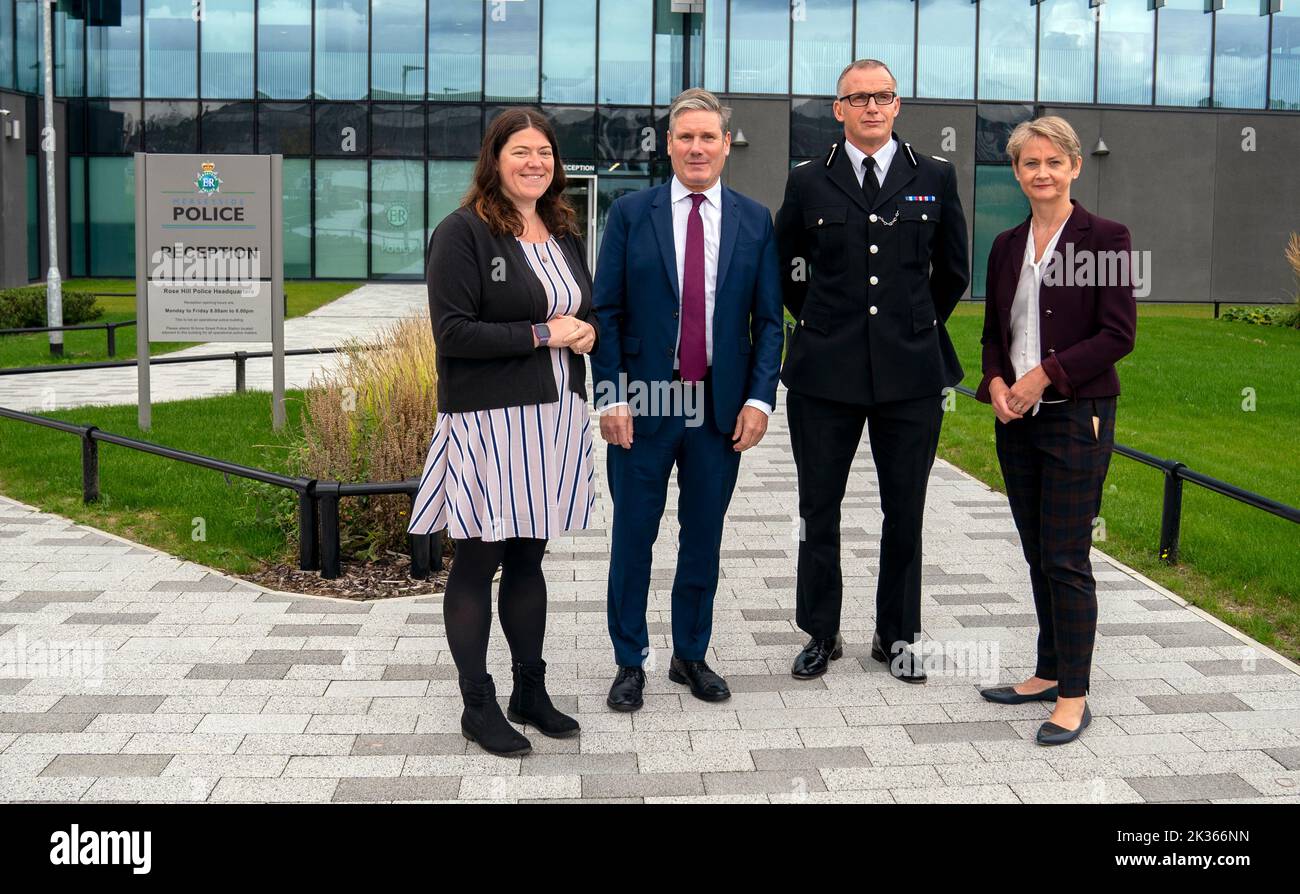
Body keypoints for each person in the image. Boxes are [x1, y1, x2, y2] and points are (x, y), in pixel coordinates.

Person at [408, 108, 599, 756]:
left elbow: (585, 311)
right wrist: (548, 332)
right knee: (478, 560)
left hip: (553, 421)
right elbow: (454, 333)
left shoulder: (564, 230)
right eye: (521, 151)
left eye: (544, 152)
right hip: (491, 424)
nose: (535, 163)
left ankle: (529, 690)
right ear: (495, 159)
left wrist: (587, 330)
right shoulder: (463, 233)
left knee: (528, 557)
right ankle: (477, 703)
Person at [774, 59, 970, 683]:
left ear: (897, 104)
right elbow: (786, 271)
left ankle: (898, 636)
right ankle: (820, 632)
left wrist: (910, 324)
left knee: (905, 508)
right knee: (818, 507)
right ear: (838, 110)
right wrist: (830, 324)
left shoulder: (933, 175)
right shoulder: (808, 181)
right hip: (825, 374)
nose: (870, 108)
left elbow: (954, 271)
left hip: (910, 372)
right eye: (856, 98)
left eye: (881, 96)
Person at [591, 88, 784, 712]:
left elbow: (769, 321)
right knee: (633, 536)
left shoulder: (755, 220)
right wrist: (610, 396)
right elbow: (608, 311)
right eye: (685, 137)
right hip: (644, 402)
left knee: (703, 537)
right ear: (668, 145)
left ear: (727, 145)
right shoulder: (629, 212)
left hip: (718, 407)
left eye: (708, 137)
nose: (697, 147)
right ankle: (630, 660)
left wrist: (760, 400)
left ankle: (690, 655)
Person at [975, 115, 1136, 745]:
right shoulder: (1006, 244)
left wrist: (1046, 374)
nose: (1042, 173)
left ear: (1074, 166)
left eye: (1053, 162)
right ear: (1016, 172)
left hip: (1077, 417)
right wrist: (994, 384)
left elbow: (1118, 334)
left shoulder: (1105, 238)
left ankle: (1074, 695)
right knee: (1037, 551)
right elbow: (994, 333)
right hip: (1015, 420)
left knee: (1067, 557)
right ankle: (1047, 671)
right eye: (1029, 164)